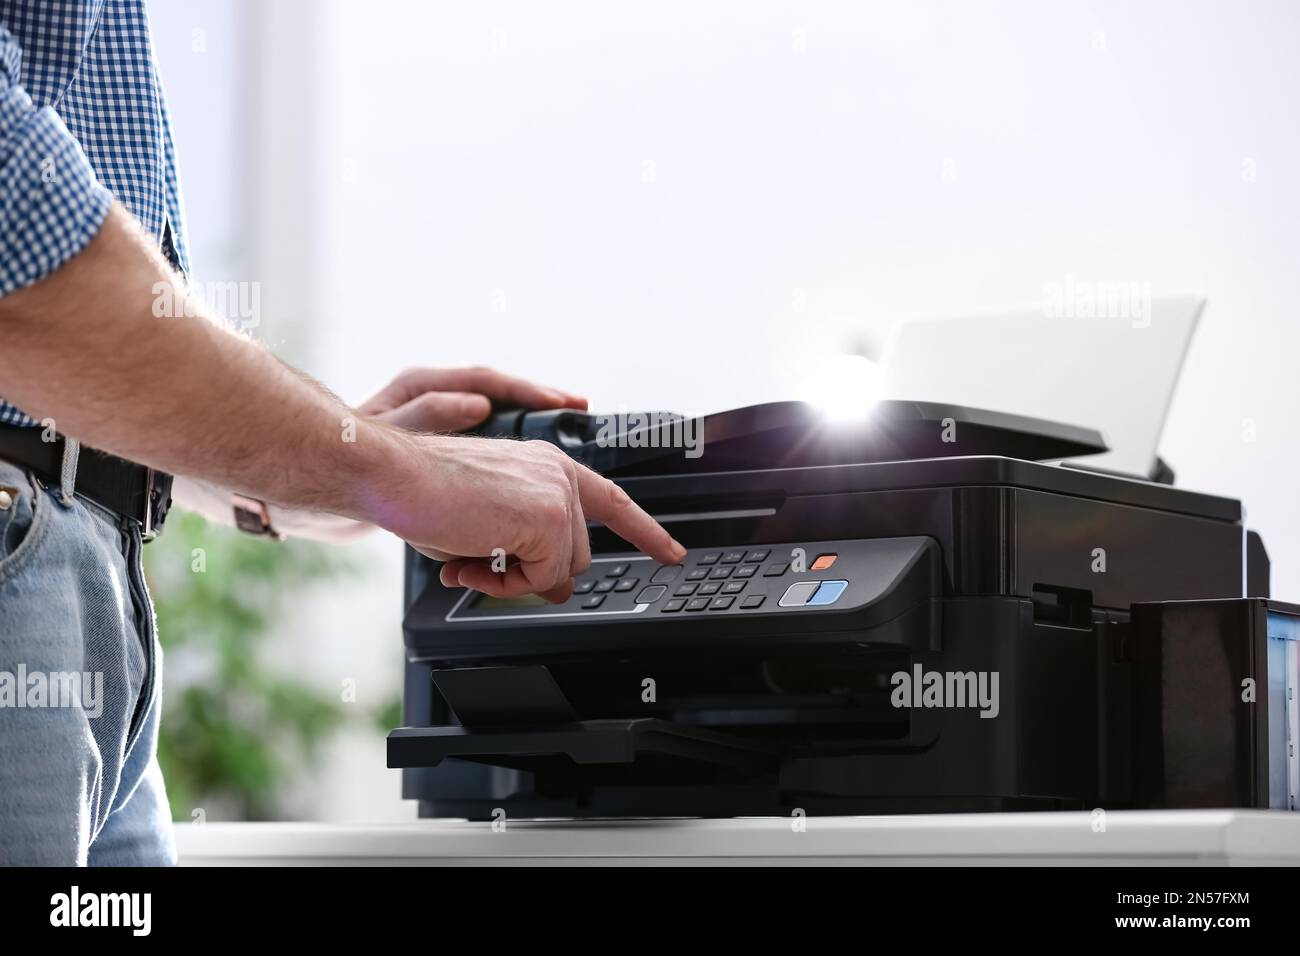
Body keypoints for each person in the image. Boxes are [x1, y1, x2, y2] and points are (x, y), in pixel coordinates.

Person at [0, 1, 685, 866]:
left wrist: (300, 485)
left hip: (97, 581)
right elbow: (15, 250)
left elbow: (49, 368)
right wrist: (408, 476)